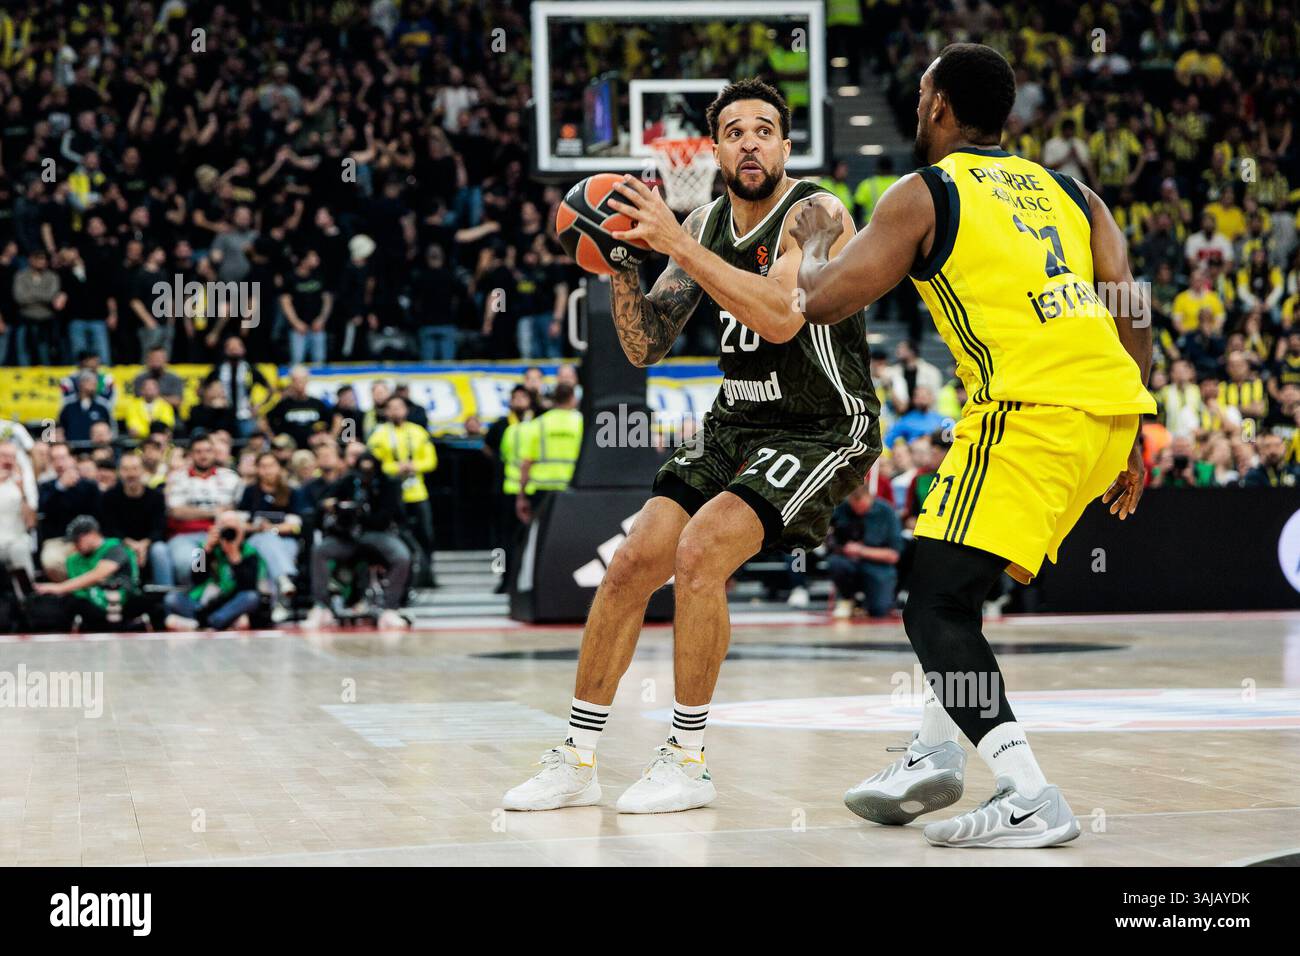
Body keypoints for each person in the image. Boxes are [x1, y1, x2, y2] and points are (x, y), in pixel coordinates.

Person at [792, 44, 1156, 847]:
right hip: (1104, 414)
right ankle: (932, 752)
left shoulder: (922, 193)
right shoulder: (1076, 193)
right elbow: (1130, 302)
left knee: (933, 600)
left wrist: (814, 237)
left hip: (1025, 412)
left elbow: (821, 302)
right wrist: (1133, 428)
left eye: (923, 93)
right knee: (956, 575)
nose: (920, 106)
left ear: (938, 109)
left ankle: (1028, 792)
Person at [502, 79, 878, 814]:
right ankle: (577, 757)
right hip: (735, 425)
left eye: (764, 130)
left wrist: (672, 239)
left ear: (785, 145)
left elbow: (779, 317)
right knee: (632, 563)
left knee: (700, 554)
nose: (749, 142)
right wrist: (621, 263)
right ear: (712, 150)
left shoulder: (816, 209)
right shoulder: (705, 220)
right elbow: (645, 345)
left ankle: (689, 758)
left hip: (824, 425)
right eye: (734, 131)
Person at [304, 452, 411, 631]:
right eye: (362, 470)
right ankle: (321, 607)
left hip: (377, 534)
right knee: (320, 551)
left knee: (402, 556)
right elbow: (324, 502)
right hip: (347, 537)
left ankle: (390, 608)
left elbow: (386, 517)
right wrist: (330, 505)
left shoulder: (389, 484)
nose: (365, 475)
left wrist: (361, 514)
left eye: (370, 471)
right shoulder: (348, 481)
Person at [35, 515, 157, 632]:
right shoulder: (74, 560)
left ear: (92, 534)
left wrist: (60, 587)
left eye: (78, 540)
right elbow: (78, 590)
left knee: (151, 604)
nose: (76, 545)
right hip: (92, 607)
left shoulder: (115, 548)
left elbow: (99, 574)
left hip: (124, 603)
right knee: (65, 604)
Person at [366, 394, 437, 587]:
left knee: (425, 535)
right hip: (393, 495)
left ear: (406, 410)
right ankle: (402, 578)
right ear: (386, 411)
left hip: (417, 492)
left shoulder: (418, 432)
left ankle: (427, 574)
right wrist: (395, 468)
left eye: (399, 407)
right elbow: (372, 464)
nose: (396, 411)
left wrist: (413, 465)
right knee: (399, 536)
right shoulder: (379, 434)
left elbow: (431, 461)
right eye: (392, 408)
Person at [163, 511, 266, 631]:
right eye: (225, 527)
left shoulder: (250, 552)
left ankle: (203, 623)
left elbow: (248, 586)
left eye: (233, 529)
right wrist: (206, 550)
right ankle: (222, 623)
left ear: (242, 532)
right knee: (171, 599)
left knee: (251, 597)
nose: (229, 533)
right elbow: (195, 579)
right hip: (204, 604)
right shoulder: (203, 548)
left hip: (230, 604)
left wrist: (234, 556)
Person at [165, 433, 243, 588]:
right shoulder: (177, 478)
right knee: (192, 564)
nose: (203, 456)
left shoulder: (230, 478)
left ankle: (227, 599)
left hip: (223, 535)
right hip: (188, 537)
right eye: (198, 451)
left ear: (214, 453)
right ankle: (194, 600)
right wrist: (214, 512)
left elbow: (235, 508)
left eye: (207, 451)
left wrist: (193, 512)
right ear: (191, 454)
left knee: (235, 563)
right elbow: (176, 511)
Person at [236, 452, 307, 603]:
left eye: (271, 466)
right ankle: (284, 580)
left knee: (274, 548)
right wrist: (257, 528)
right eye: (263, 466)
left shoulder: (291, 492)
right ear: (257, 469)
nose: (267, 470)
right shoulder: (250, 492)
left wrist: (271, 528)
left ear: (279, 468)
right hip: (256, 539)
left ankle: (274, 602)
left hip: (285, 540)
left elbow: (294, 526)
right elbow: (240, 523)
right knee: (266, 540)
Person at [826, 482, 903, 618]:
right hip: (848, 562)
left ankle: (869, 602)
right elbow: (830, 539)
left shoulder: (886, 512)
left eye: (862, 507)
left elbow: (893, 555)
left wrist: (861, 550)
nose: (858, 511)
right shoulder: (842, 510)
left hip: (878, 566)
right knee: (836, 563)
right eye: (854, 506)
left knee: (879, 610)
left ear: (870, 497)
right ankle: (847, 598)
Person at [101, 452, 172, 586]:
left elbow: (160, 527)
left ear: (142, 471)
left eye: (135, 468)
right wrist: (132, 544)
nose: (131, 474)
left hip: (150, 543)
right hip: (121, 542)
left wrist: (143, 545)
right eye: (126, 469)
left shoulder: (156, 497)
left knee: (160, 550)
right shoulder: (109, 497)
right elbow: (109, 528)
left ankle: (166, 594)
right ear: (119, 472)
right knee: (115, 549)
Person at [37, 443, 102, 580]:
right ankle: (72, 592)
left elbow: (97, 515)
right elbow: (45, 509)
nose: (59, 463)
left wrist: (86, 537)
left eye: (62, 458)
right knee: (51, 560)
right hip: (58, 540)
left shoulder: (89, 486)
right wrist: (60, 487)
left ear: (72, 459)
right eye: (54, 459)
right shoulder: (46, 487)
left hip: (87, 536)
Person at [0, 441, 36, 580]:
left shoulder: (23, 483)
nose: (8, 461)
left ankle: (27, 599)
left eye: (12, 457)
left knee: (19, 549)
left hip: (15, 540)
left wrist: (21, 489)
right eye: (4, 456)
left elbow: (31, 523)